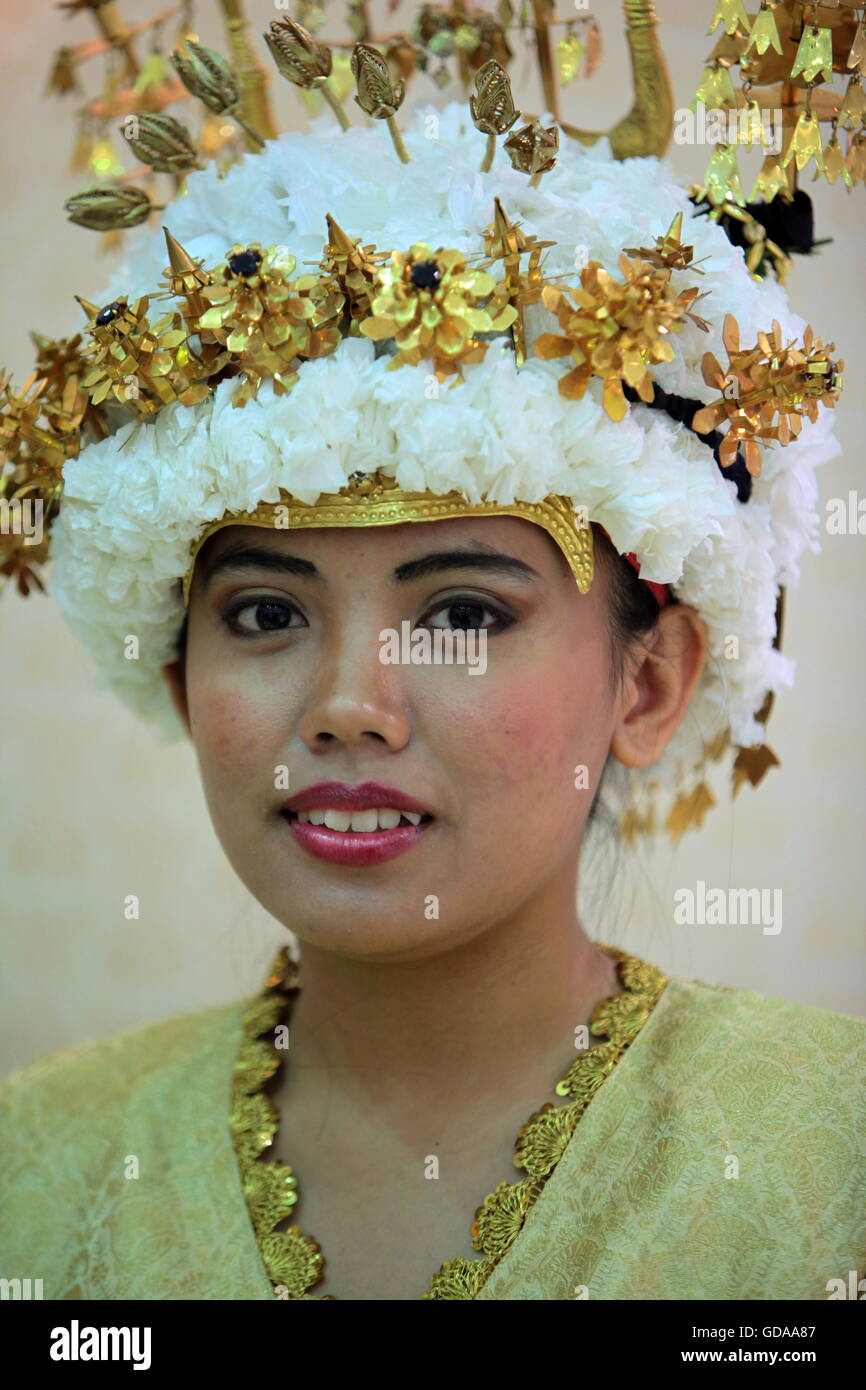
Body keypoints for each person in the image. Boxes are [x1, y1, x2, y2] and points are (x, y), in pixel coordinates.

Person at [0, 26, 863, 1299]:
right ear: (182, 680)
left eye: (461, 613)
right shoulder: (39, 1167)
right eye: (262, 616)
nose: (348, 707)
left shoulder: (829, 1163)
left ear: (648, 683)